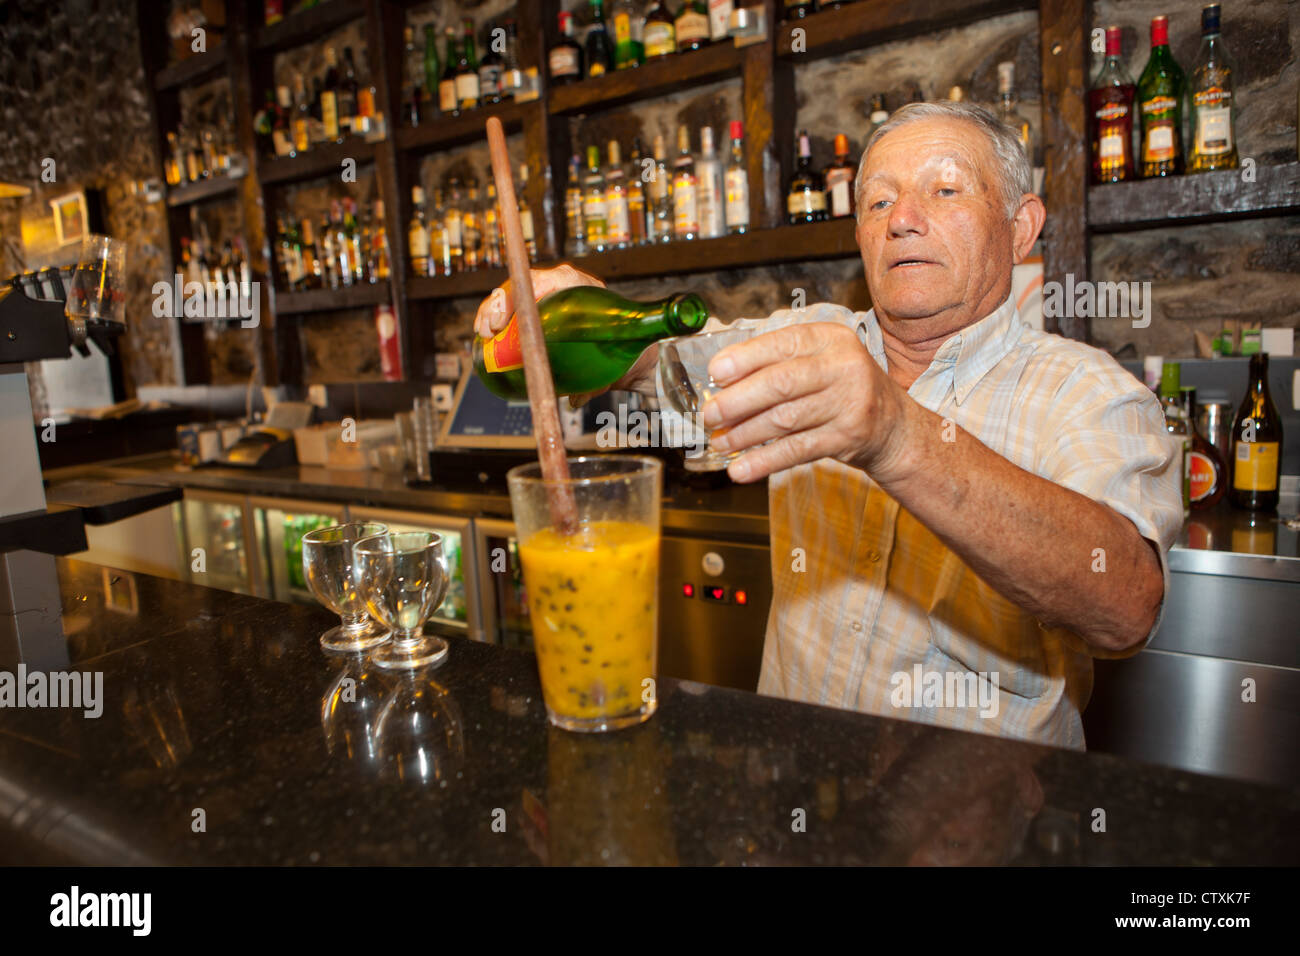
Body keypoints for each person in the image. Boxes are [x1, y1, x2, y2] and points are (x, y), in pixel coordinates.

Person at [475, 102, 1183, 749]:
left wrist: (896, 435)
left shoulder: (1087, 392)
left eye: (944, 189)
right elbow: (655, 362)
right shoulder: (811, 339)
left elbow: (1125, 607)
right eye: (878, 199)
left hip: (985, 820)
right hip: (794, 794)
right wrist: (583, 309)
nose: (902, 218)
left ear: (1021, 226)